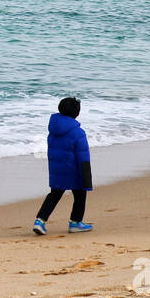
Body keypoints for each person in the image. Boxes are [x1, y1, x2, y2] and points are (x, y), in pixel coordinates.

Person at [33, 97, 94, 234]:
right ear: (77, 113)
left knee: (54, 194)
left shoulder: (53, 131)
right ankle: (75, 222)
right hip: (74, 170)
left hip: (57, 169)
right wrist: (86, 178)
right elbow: (83, 155)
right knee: (80, 195)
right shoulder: (78, 132)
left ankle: (40, 221)